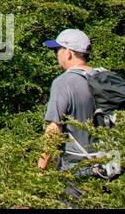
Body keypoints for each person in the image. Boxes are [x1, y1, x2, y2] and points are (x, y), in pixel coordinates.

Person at [37, 28, 97, 171]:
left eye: (57, 50)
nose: (57, 55)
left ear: (68, 53)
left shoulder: (64, 82)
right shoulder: (103, 78)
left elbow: (54, 130)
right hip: (109, 167)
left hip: (78, 168)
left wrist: (40, 169)